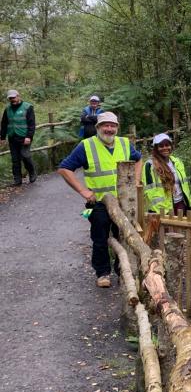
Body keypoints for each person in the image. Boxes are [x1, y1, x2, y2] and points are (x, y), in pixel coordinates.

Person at [57, 112, 142, 287]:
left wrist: (136, 181)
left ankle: (123, 272)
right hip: (98, 203)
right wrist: (83, 191)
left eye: (113, 126)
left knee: (124, 236)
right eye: (106, 125)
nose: (109, 129)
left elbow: (139, 160)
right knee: (100, 238)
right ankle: (103, 273)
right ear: (98, 128)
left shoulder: (125, 143)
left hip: (123, 202)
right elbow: (65, 169)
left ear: (117, 128)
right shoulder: (86, 146)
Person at [141, 133, 191, 214]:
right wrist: (162, 210)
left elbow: (184, 185)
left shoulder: (177, 161)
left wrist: (187, 203)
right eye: (161, 146)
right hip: (162, 209)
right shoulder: (150, 165)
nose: (165, 148)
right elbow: (150, 190)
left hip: (180, 204)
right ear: (156, 148)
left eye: (167, 145)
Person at [1, 89, 37, 186]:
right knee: (15, 159)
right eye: (10, 98)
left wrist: (29, 136)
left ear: (18, 96)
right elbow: (4, 124)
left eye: (14, 97)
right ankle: (17, 179)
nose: (12, 99)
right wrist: (2, 137)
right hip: (12, 137)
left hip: (24, 137)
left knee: (25, 155)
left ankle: (32, 172)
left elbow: (31, 124)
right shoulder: (7, 109)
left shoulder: (27, 107)